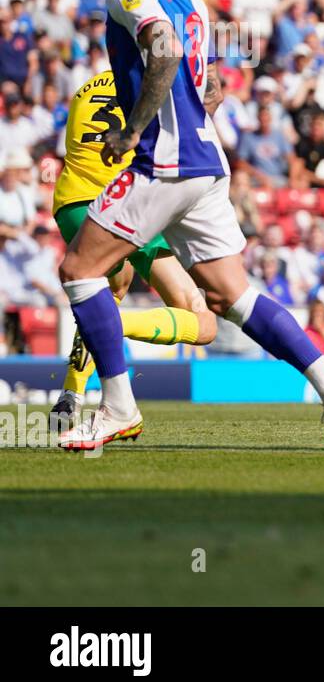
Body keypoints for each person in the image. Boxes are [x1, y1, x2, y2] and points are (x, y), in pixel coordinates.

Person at [56, 0, 324, 453]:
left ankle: (117, 409)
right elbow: (213, 83)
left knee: (80, 270)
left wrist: (134, 133)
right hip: (206, 160)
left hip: (166, 164)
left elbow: (166, 49)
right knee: (230, 297)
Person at [47, 68, 225, 432]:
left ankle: (73, 392)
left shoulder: (84, 88)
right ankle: (111, 333)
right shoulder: (156, 86)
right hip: (129, 205)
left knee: (109, 292)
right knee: (202, 321)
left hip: (75, 204)